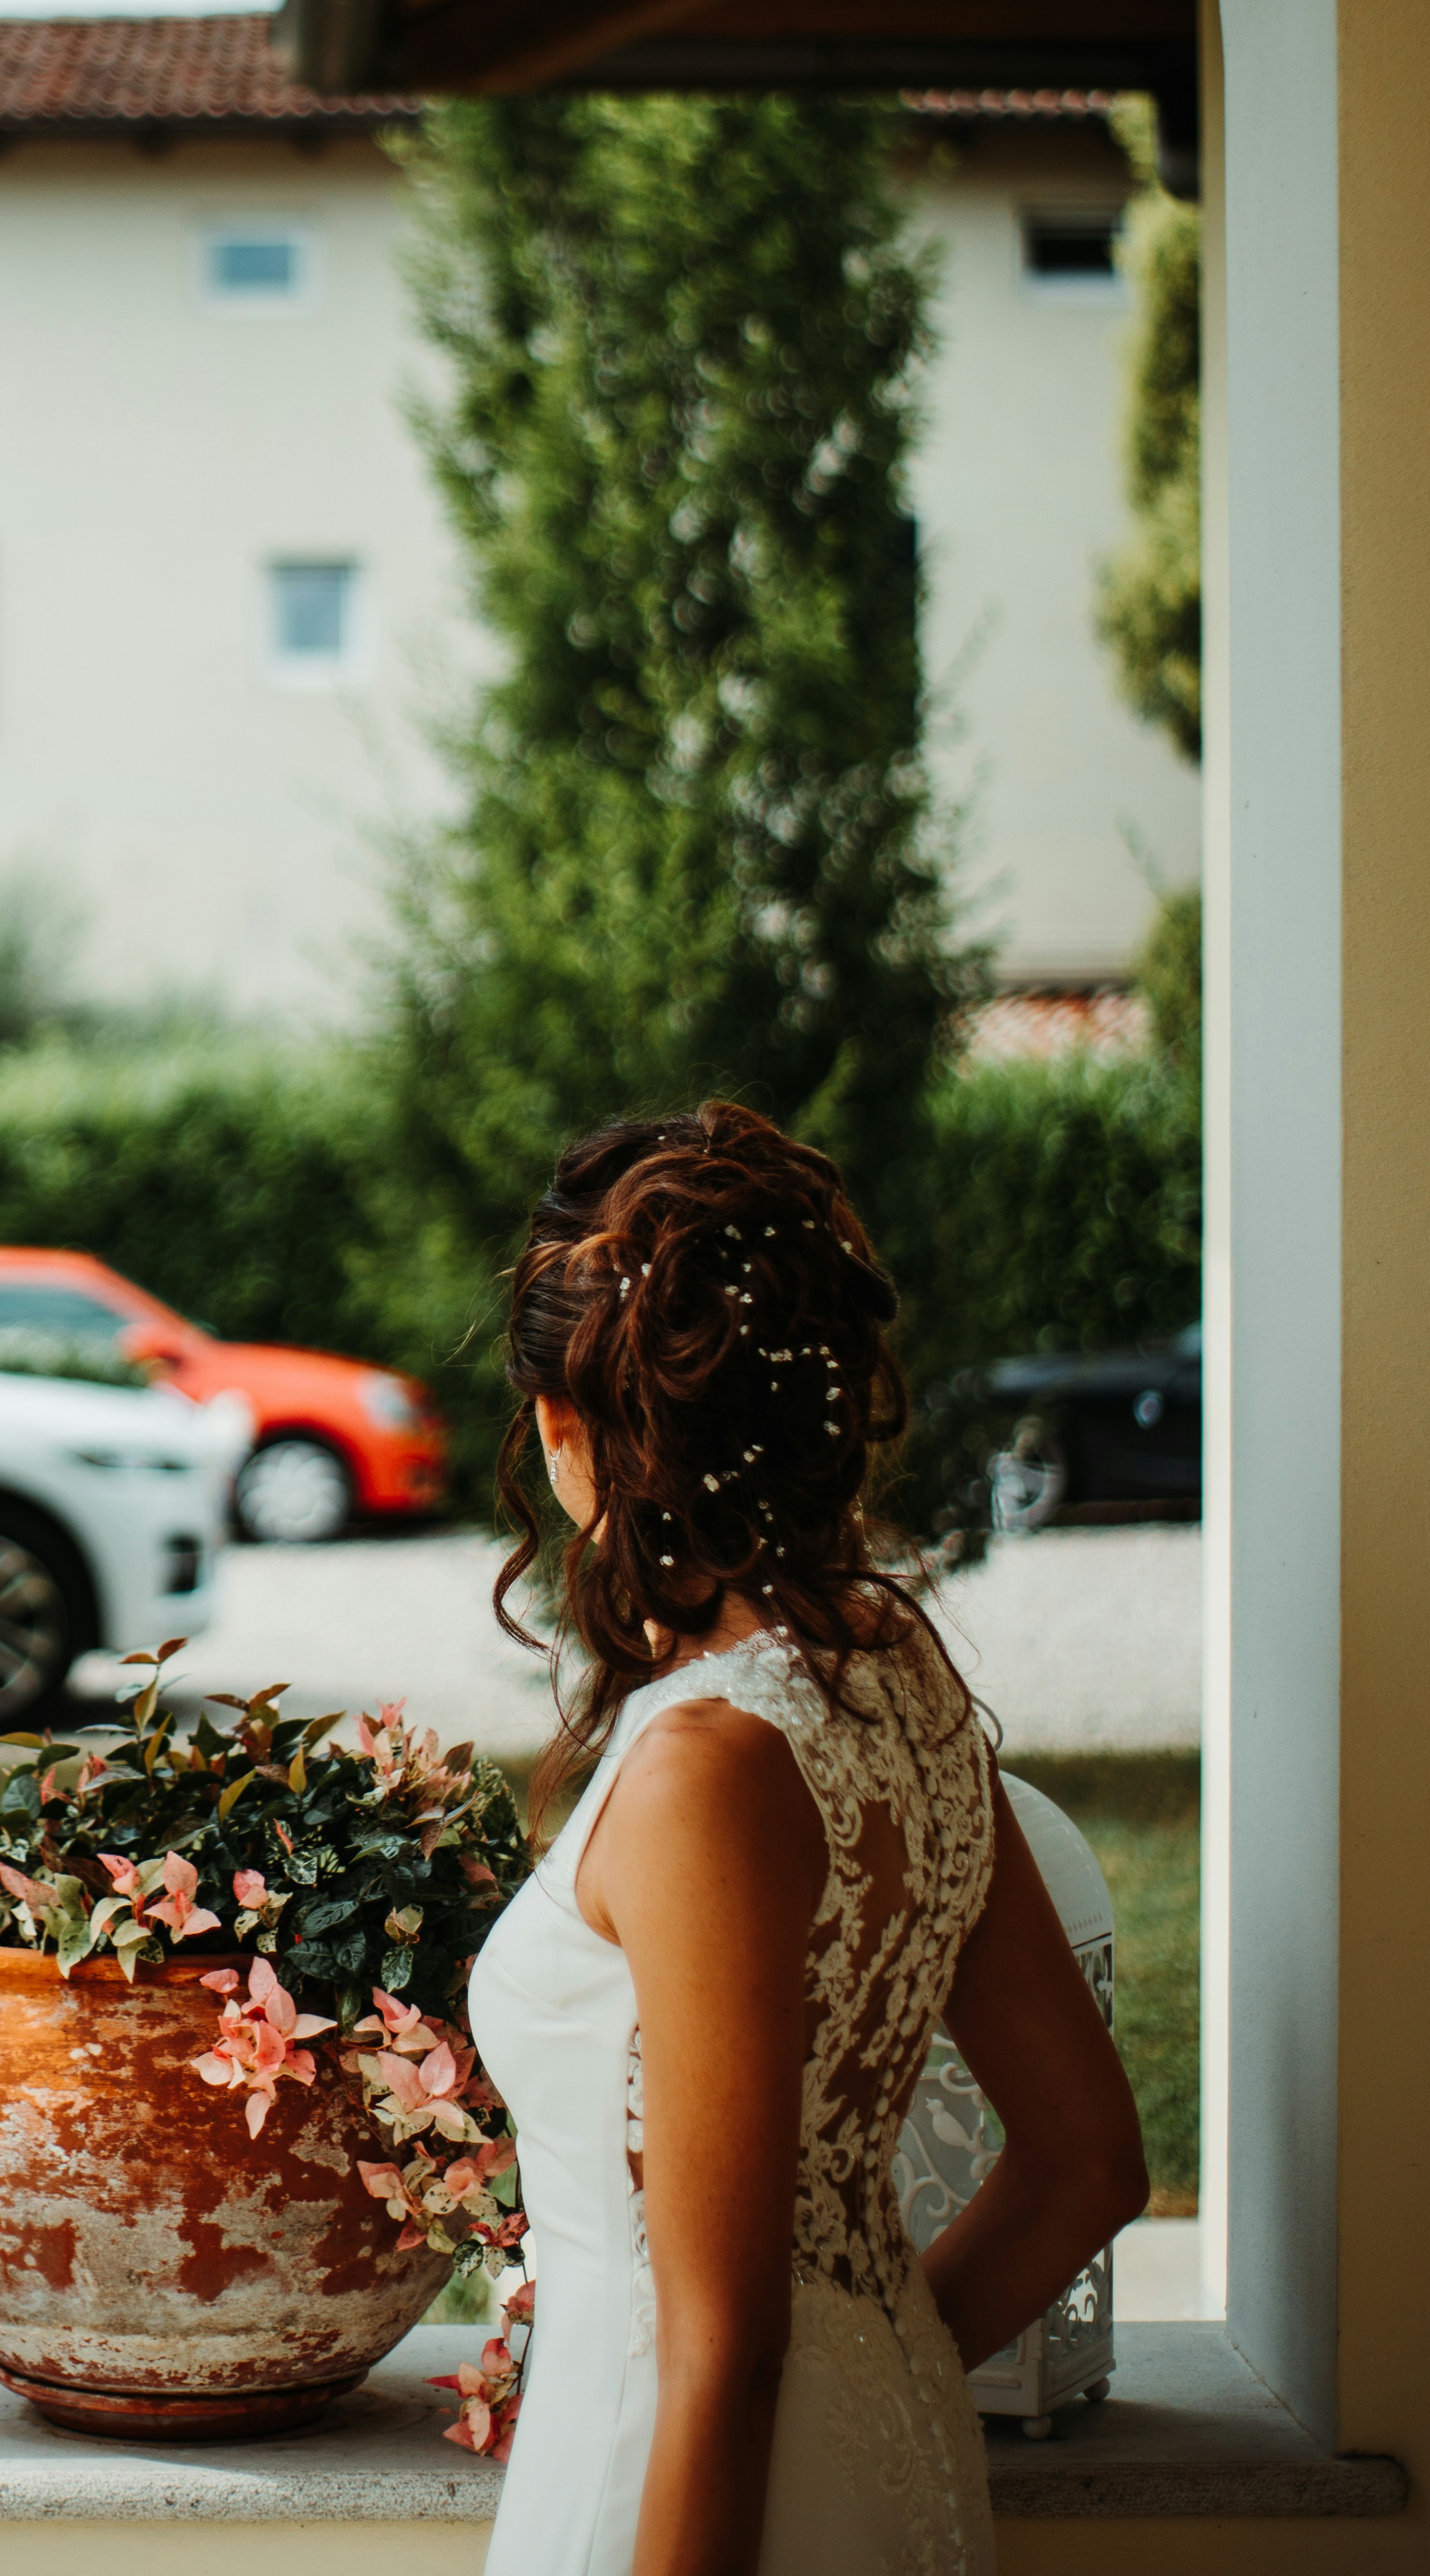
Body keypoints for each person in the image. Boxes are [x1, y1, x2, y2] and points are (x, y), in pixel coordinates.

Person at [468, 1102, 1146, 2576]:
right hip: (889, 2469)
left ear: (574, 1430)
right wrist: (881, 2373)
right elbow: (1089, 2162)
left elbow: (725, 2346)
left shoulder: (706, 1769)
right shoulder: (897, 1678)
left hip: (671, 2495)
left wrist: (813, 2389)